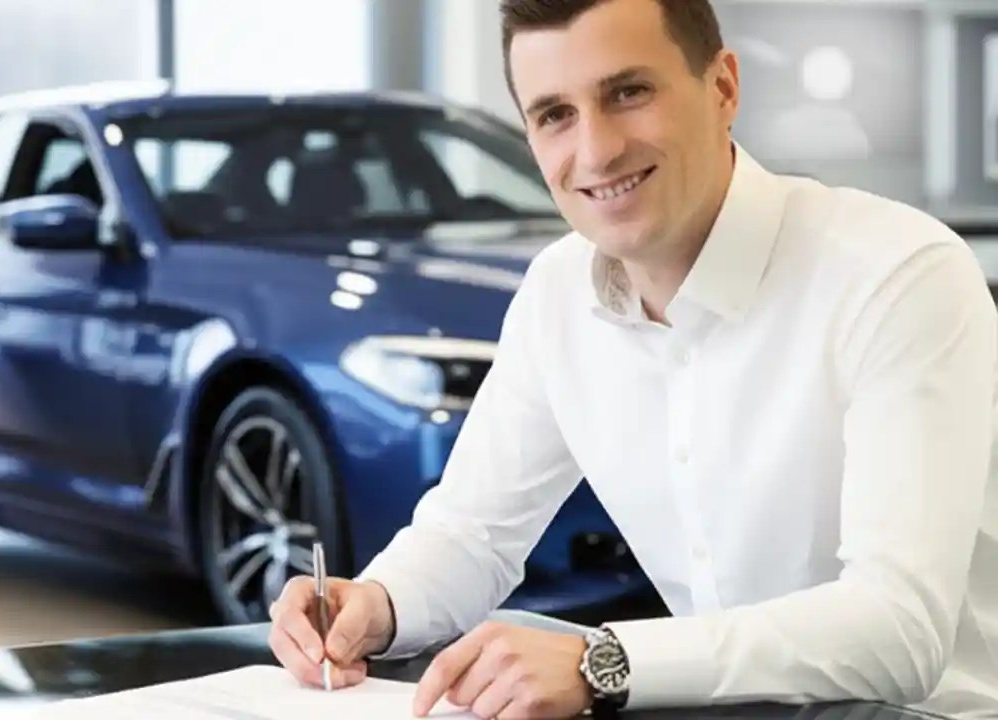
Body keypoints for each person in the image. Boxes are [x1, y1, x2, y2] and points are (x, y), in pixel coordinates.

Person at [268, 0, 998, 717]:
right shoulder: (557, 292)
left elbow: (899, 629)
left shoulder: (897, 274)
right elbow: (471, 534)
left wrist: (604, 663)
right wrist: (377, 603)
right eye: (555, 114)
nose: (596, 151)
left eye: (628, 92)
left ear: (723, 89)